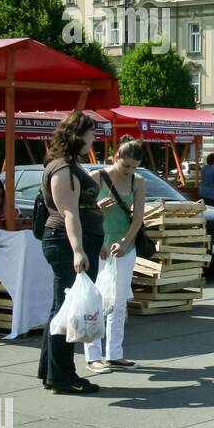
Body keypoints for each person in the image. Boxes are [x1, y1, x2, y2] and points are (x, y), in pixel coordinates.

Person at [38, 111, 105, 394]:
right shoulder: (63, 168)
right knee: (67, 314)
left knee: (61, 311)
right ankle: (64, 377)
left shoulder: (68, 165)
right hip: (66, 243)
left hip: (72, 241)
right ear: (77, 135)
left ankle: (51, 373)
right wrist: (78, 250)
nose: (94, 139)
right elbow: (68, 213)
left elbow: (78, 211)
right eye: (90, 133)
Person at [84, 138, 146, 373]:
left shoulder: (138, 182)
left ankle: (114, 354)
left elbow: (139, 217)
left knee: (118, 302)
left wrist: (125, 242)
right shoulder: (97, 178)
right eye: (125, 166)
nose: (129, 171)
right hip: (98, 245)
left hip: (124, 247)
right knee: (96, 301)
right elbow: (82, 213)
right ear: (115, 158)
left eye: (133, 167)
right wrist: (97, 208)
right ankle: (92, 356)